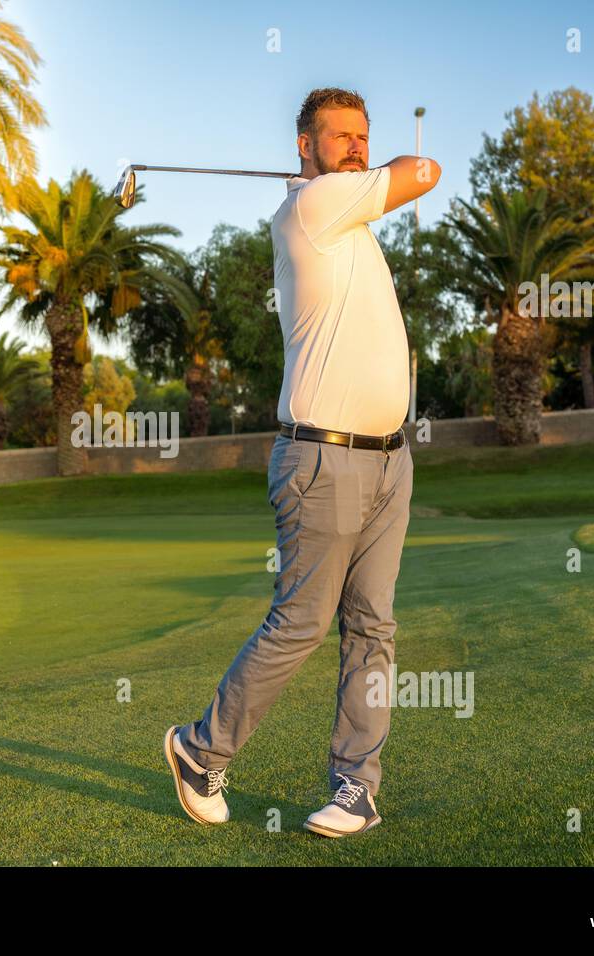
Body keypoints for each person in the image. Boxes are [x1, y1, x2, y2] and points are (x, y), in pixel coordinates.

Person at [164, 87, 441, 837]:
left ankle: (356, 786)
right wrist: (361, 173)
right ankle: (199, 750)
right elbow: (426, 170)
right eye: (341, 137)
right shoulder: (310, 212)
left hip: (389, 460)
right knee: (303, 622)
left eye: (363, 135)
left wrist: (351, 173)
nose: (356, 146)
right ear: (304, 147)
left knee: (373, 629)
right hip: (324, 459)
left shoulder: (349, 222)